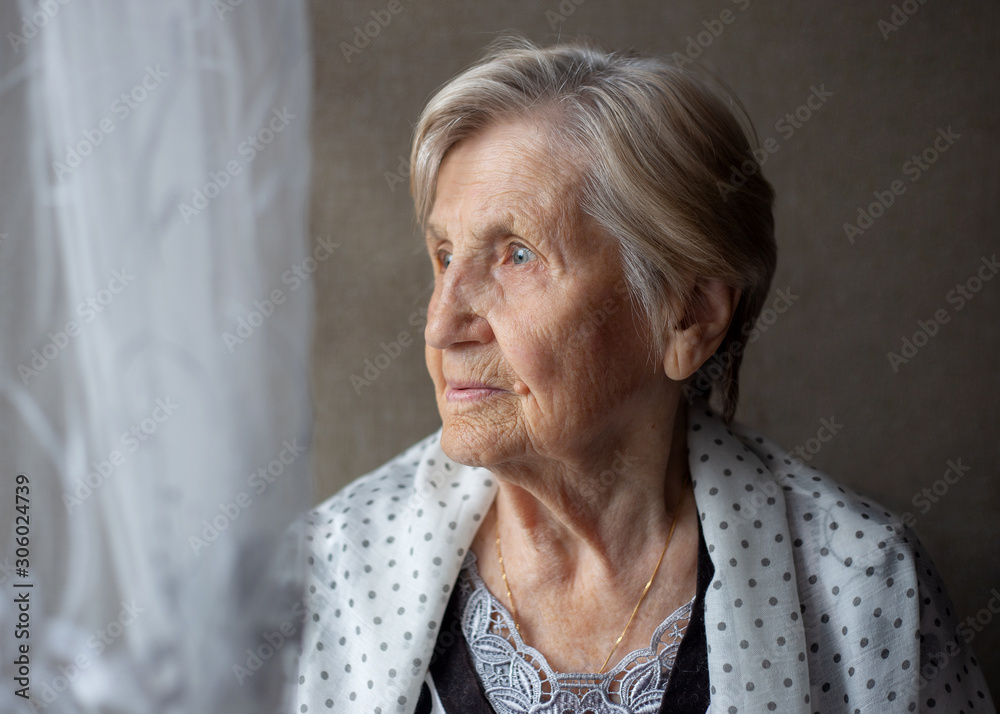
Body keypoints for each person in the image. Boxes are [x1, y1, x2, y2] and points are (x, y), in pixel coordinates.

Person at [292, 37, 994, 714]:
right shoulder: (329, 576)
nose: (442, 325)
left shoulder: (863, 590)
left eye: (518, 256)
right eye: (445, 256)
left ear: (687, 316)